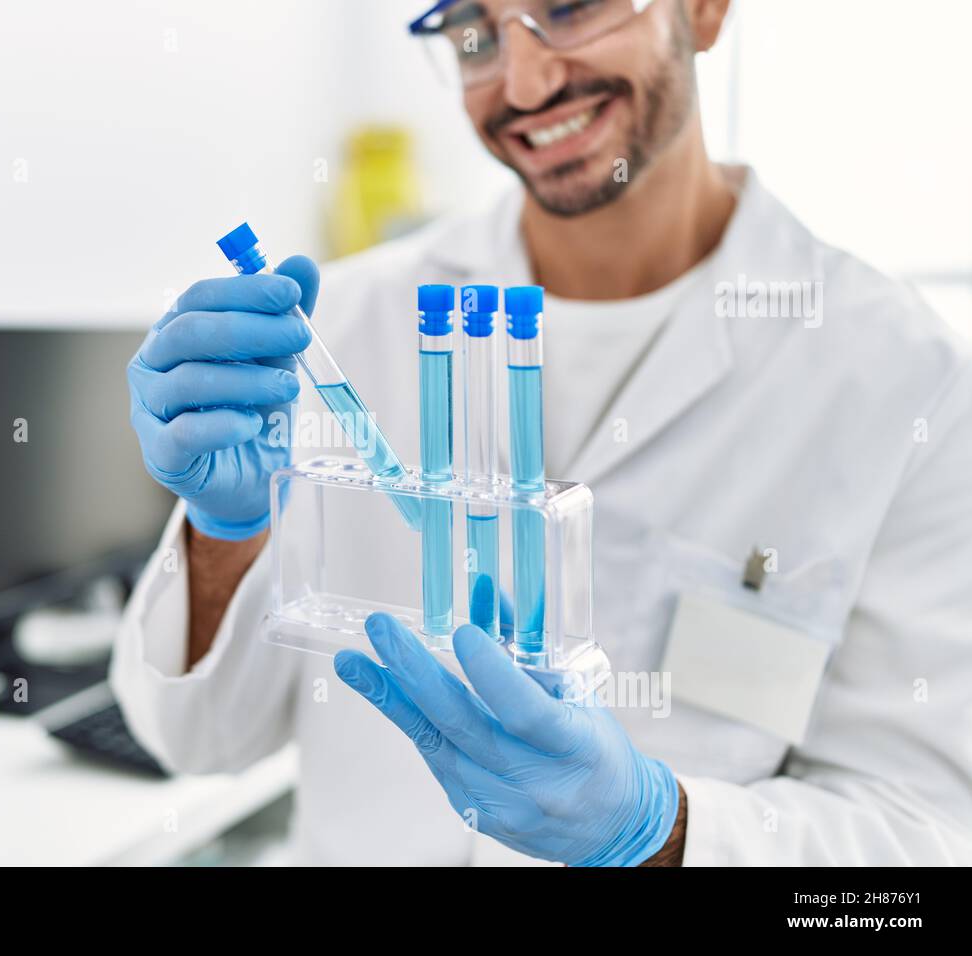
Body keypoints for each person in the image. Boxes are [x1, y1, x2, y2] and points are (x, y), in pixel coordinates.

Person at [115, 0, 972, 865]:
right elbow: (196, 741)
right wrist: (226, 533)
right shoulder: (338, 330)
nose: (525, 81)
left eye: (571, 6)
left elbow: (922, 849)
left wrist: (659, 831)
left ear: (706, 12)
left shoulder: (906, 378)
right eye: (474, 33)